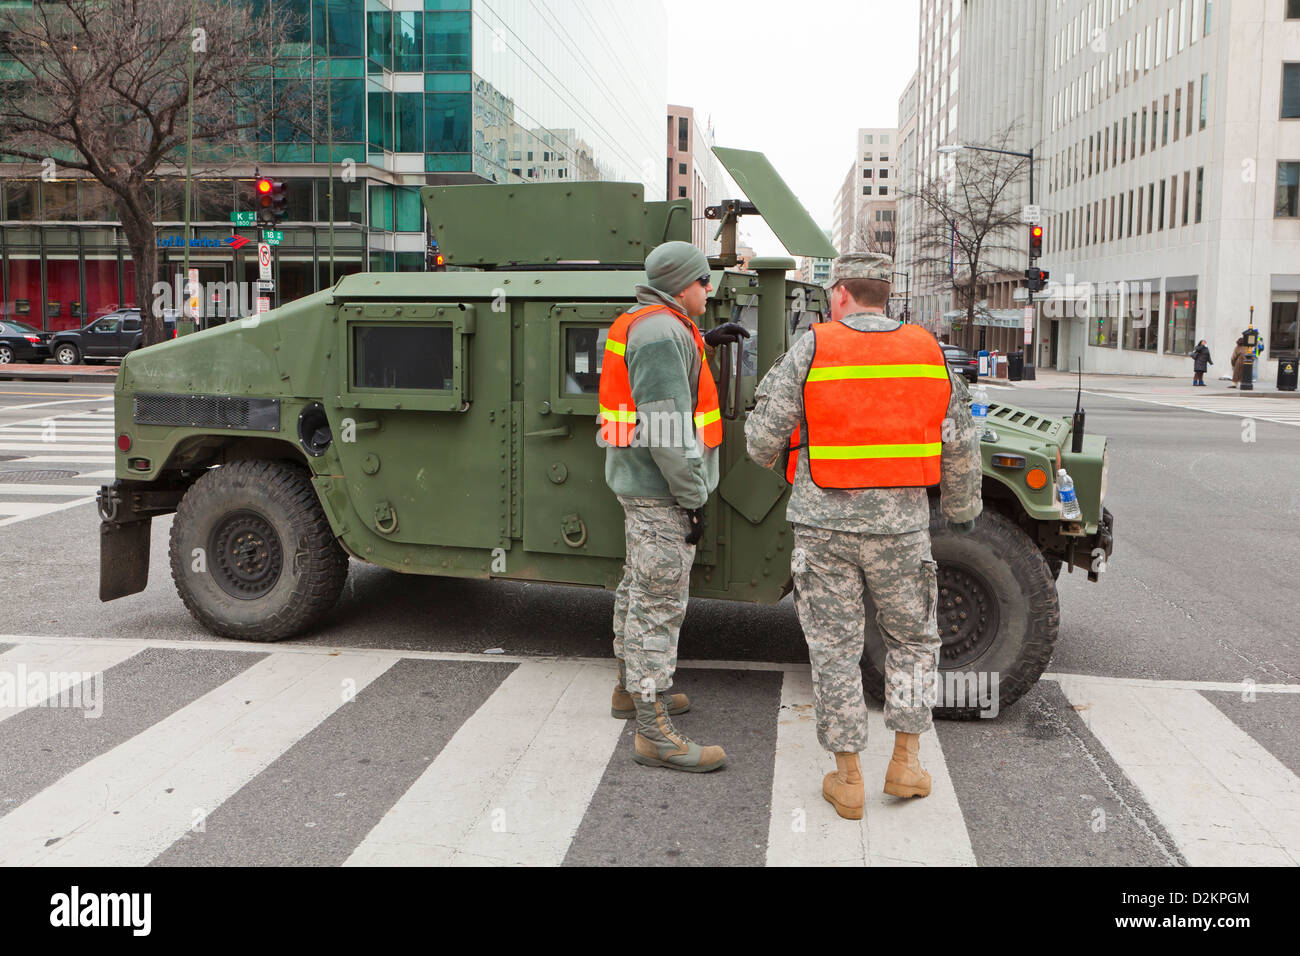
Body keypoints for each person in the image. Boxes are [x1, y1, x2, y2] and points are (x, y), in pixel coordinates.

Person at [745, 252, 982, 819]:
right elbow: (961, 442)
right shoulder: (927, 350)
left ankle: (847, 778)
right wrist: (960, 507)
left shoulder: (814, 346)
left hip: (823, 528)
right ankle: (905, 763)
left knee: (834, 649)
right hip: (899, 529)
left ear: (842, 294)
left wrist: (793, 456)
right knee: (912, 642)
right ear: (886, 293)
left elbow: (759, 439)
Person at [598, 240, 748, 773]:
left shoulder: (654, 323)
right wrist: (692, 497)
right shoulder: (662, 333)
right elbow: (665, 428)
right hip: (662, 488)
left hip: (643, 484)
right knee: (658, 604)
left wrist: (701, 341)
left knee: (639, 588)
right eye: (704, 281)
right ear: (681, 283)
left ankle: (628, 690)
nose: (711, 289)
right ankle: (653, 730)